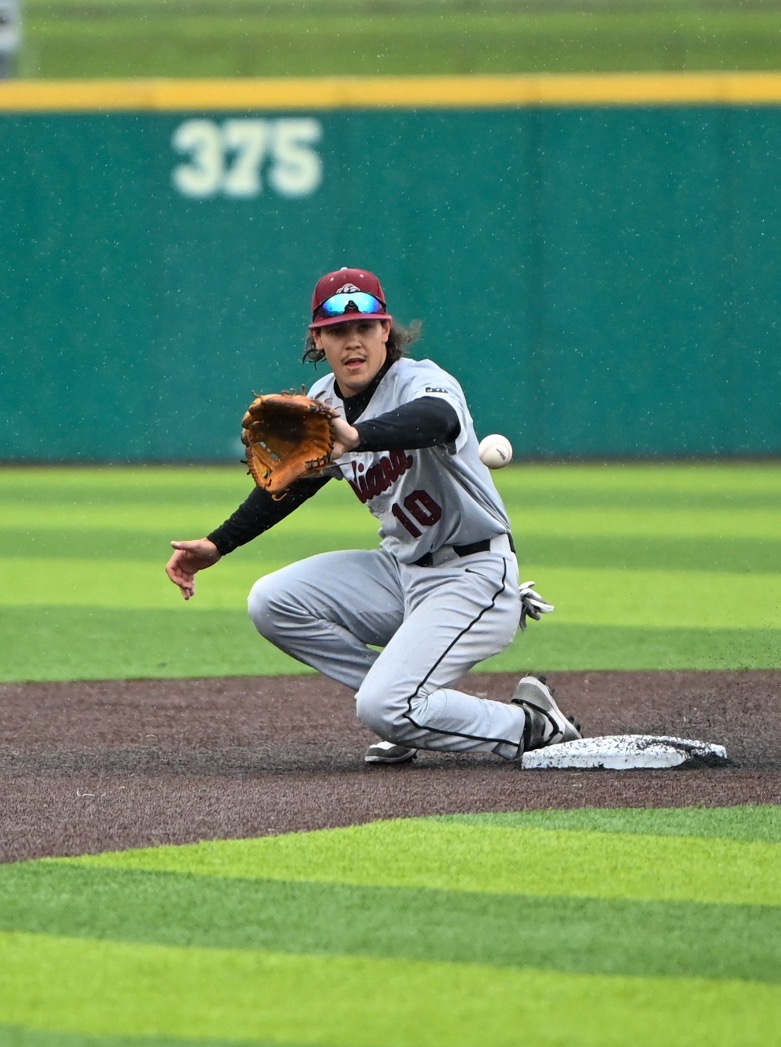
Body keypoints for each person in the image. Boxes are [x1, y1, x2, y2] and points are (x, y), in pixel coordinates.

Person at [165, 267, 580, 766]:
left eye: (365, 327)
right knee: (272, 601)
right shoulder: (322, 403)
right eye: (338, 331)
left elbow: (437, 419)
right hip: (400, 573)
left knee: (383, 707)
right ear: (318, 338)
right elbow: (293, 485)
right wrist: (217, 545)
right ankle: (418, 707)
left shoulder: (421, 380)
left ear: (386, 330)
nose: (352, 342)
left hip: (473, 576)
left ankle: (532, 724)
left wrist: (359, 437)